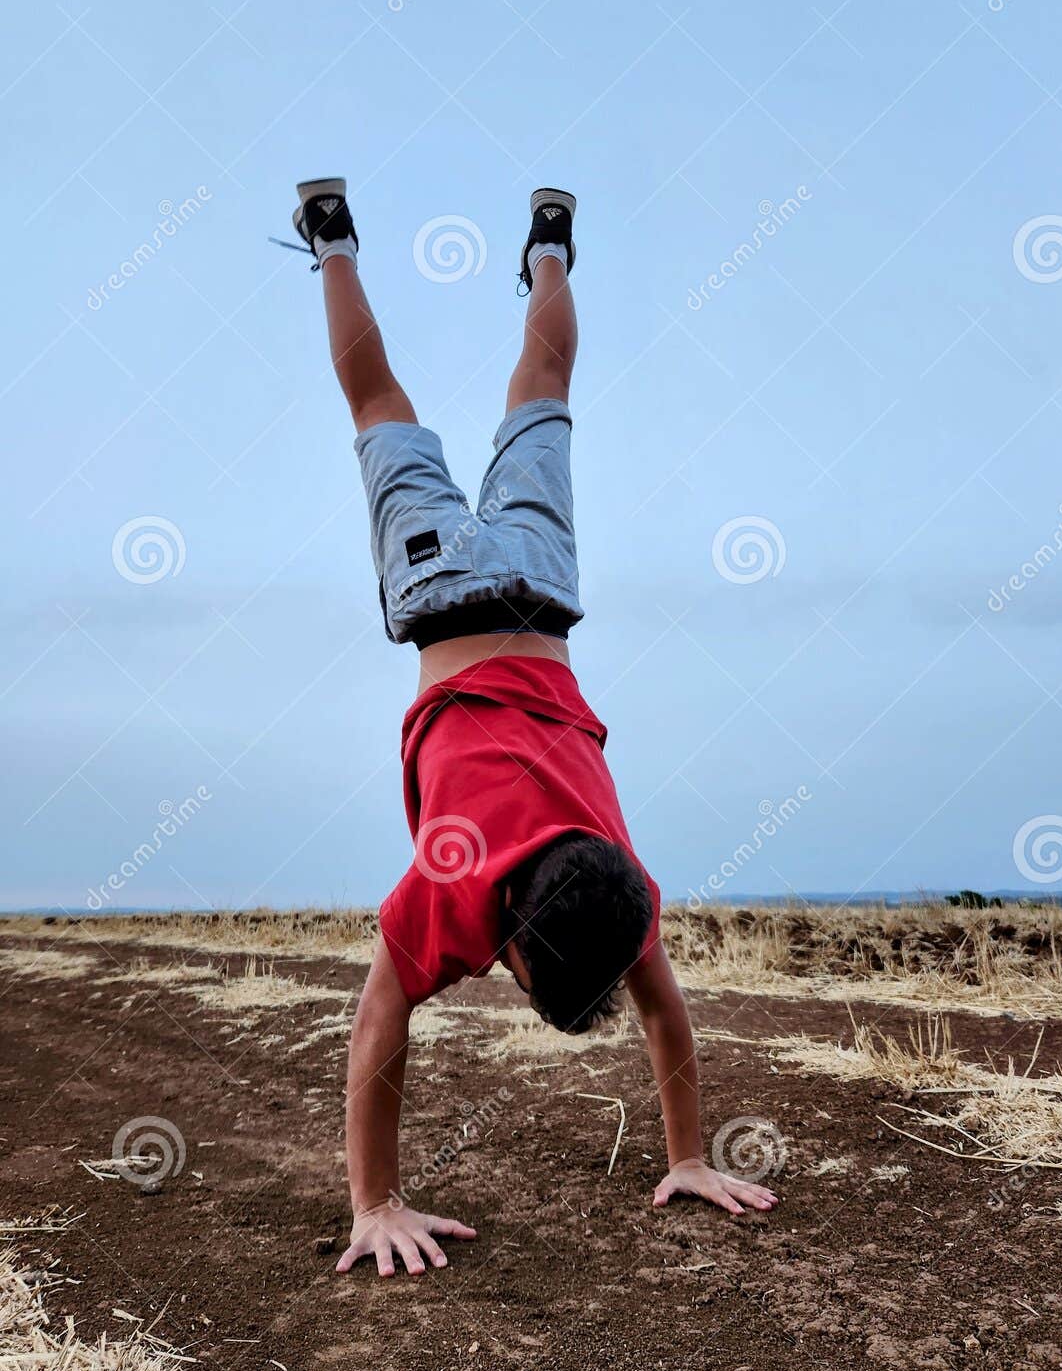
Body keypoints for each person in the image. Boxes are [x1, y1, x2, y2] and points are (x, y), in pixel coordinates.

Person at [287, 178, 779, 1278]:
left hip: (539, 588)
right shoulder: (459, 880)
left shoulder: (616, 883)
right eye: (517, 973)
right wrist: (375, 1203)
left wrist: (690, 1153)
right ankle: (333, 244)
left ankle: (549, 249)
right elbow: (380, 1022)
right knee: (377, 405)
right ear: (506, 934)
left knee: (543, 382)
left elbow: (661, 1014)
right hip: (442, 600)